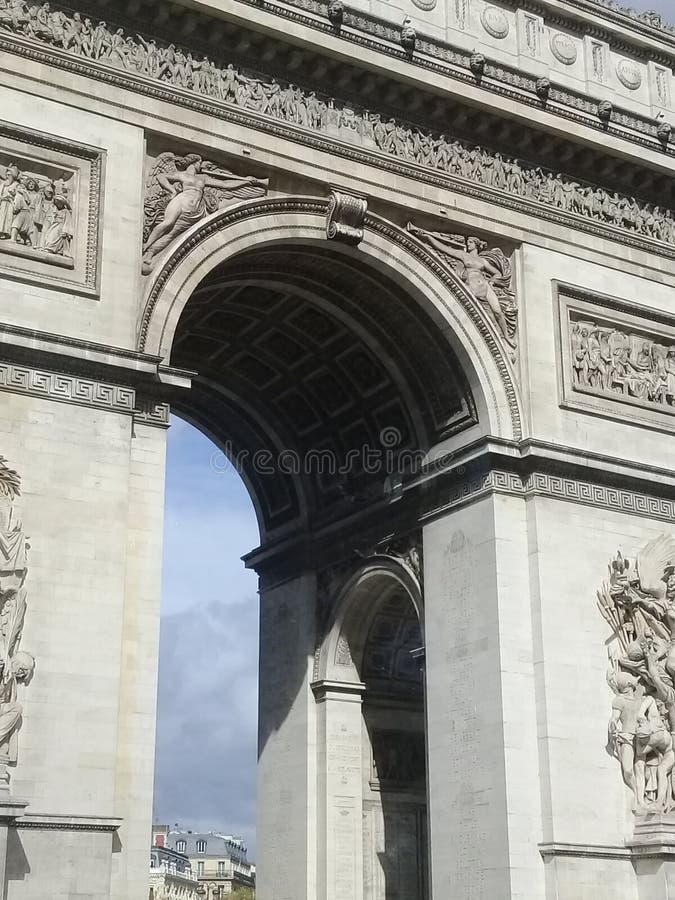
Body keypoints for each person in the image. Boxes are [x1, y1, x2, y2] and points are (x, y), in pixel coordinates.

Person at [142, 157, 266, 266]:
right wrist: (172, 191)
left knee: (172, 233)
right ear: (193, 163)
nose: (200, 166)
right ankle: (146, 244)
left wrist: (245, 181)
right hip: (181, 201)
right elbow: (160, 176)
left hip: (195, 211)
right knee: (168, 223)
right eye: (199, 163)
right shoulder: (182, 175)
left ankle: (150, 253)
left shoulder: (203, 178)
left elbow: (225, 184)